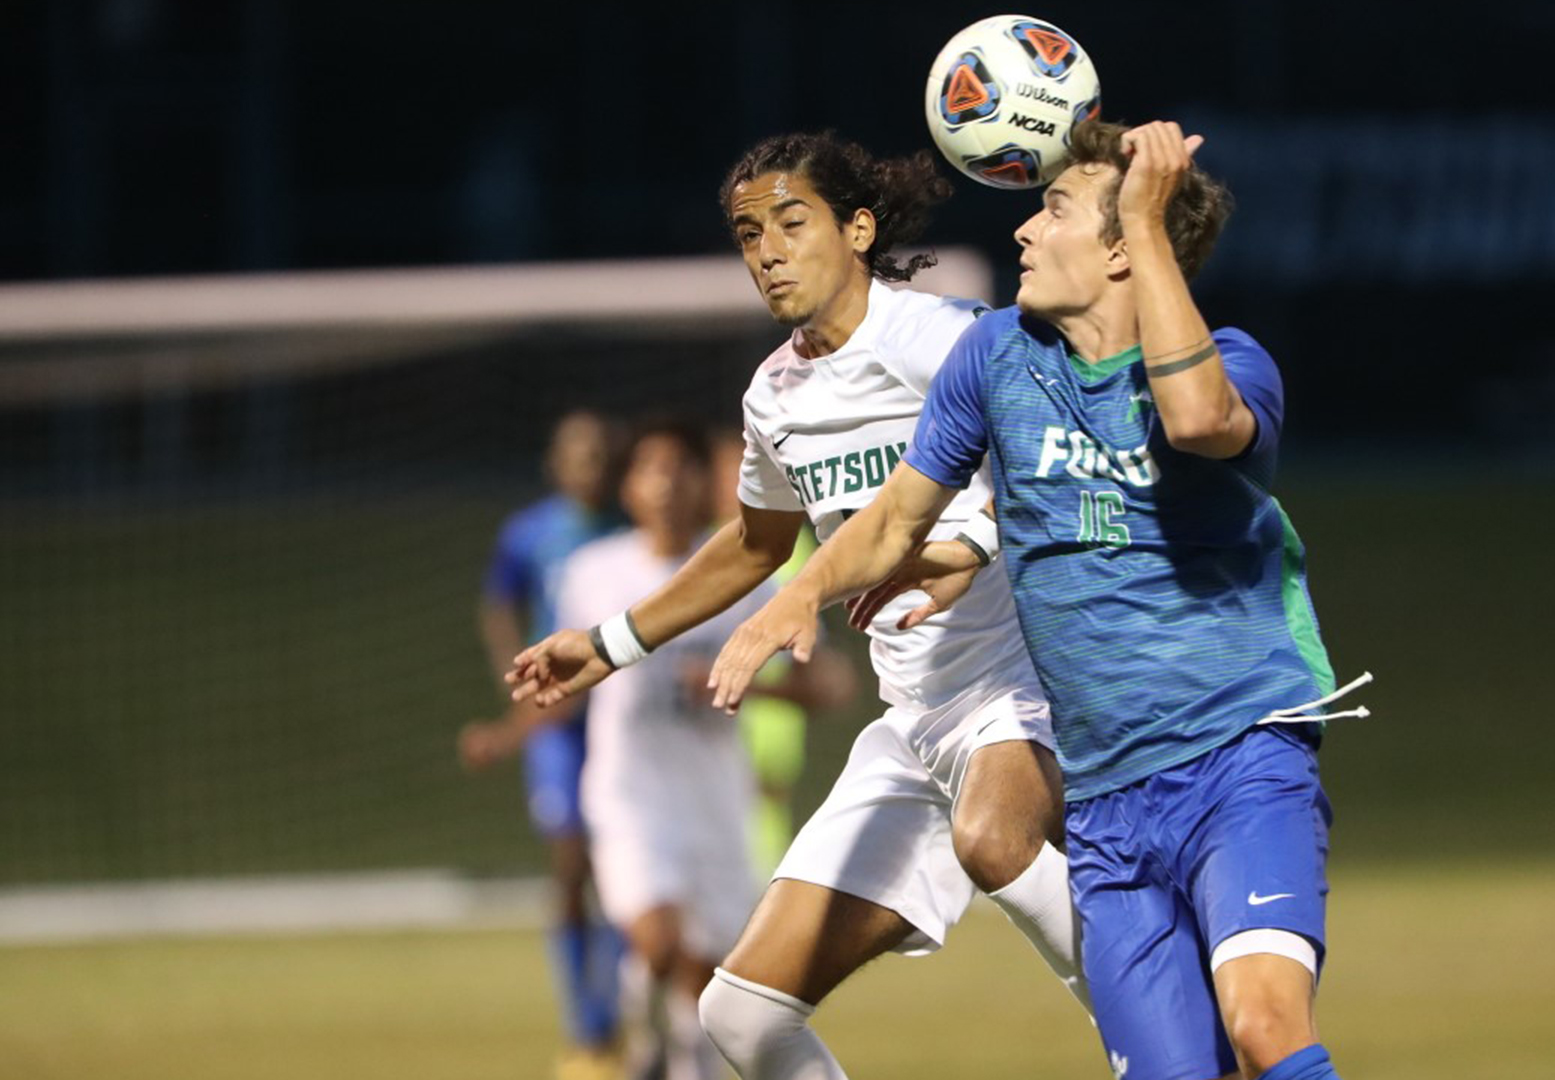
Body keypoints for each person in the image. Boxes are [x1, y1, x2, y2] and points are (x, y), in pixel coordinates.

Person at [706, 120, 1369, 1080]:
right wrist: (796, 594)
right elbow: (894, 521)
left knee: (1263, 1029)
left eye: (1051, 209)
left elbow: (1195, 418)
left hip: (1239, 755)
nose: (1020, 231)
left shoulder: (1236, 362)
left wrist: (1145, 217)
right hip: (1105, 801)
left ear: (1119, 245)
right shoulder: (998, 362)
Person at [506, 132, 1089, 1080]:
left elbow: (1062, 467)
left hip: (1031, 682)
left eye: (791, 222)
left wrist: (965, 549)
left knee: (995, 839)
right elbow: (756, 541)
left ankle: (1175, 1041)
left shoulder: (942, 338)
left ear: (858, 229)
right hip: (918, 725)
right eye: (747, 232)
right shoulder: (774, 394)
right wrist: (610, 643)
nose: (767, 250)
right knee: (738, 1016)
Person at [555, 418, 835, 1080]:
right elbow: (572, 675)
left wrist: (742, 685)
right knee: (656, 939)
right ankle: (646, 1043)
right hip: (629, 796)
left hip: (714, 800)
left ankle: (668, 1060)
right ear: (628, 487)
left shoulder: (737, 575)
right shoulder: (594, 572)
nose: (666, 485)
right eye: (649, 469)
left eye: (679, 469)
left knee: (707, 981)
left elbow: (823, 684)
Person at [460, 410, 628, 1080]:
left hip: (615, 715)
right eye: (577, 454)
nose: (589, 465)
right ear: (555, 464)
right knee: (568, 866)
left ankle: (610, 1022)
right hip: (555, 724)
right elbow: (497, 602)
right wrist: (519, 691)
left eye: (600, 453)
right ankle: (584, 1022)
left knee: (619, 871)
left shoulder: (630, 530)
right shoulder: (530, 533)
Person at [706, 429, 821, 877]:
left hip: (770, 702)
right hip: (713, 701)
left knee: (762, 802)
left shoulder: (788, 542)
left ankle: (762, 892)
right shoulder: (710, 542)